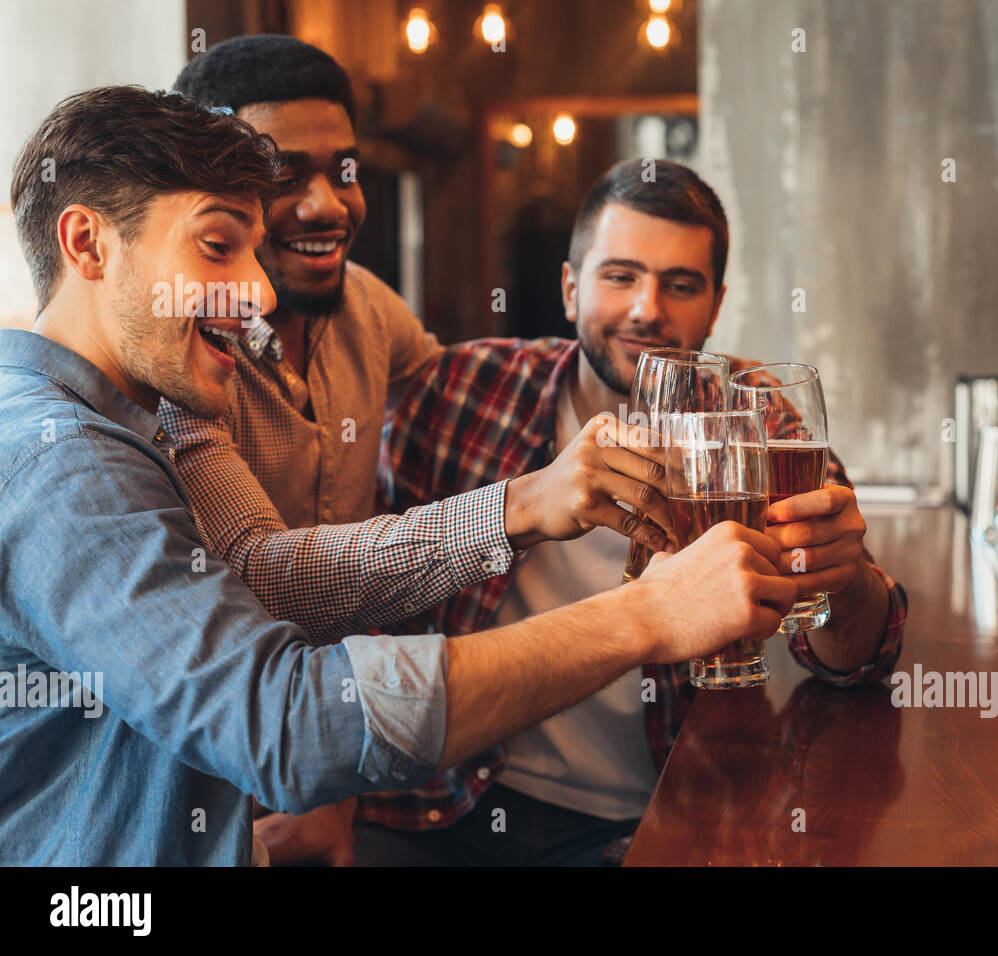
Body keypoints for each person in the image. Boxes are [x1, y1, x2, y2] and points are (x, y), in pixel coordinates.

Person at [0, 85, 796, 866]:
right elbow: (288, 721)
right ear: (87, 244)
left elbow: (257, 586)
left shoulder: (140, 413)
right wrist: (647, 613)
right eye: (217, 246)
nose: (260, 292)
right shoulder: (66, 464)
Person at [159, 35, 687, 863]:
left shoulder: (367, 306)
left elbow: (468, 380)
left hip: (360, 752)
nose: (327, 204)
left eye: (343, 169)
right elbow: (262, 575)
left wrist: (658, 368)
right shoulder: (175, 354)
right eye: (280, 174)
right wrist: (521, 505)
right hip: (216, 773)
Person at [359, 158, 909, 865]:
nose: (648, 308)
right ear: (569, 288)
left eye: (681, 285)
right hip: (437, 805)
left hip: (641, 823)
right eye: (620, 276)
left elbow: (856, 659)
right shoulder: (469, 386)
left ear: (715, 306)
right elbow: (369, 590)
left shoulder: (757, 413)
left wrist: (846, 581)